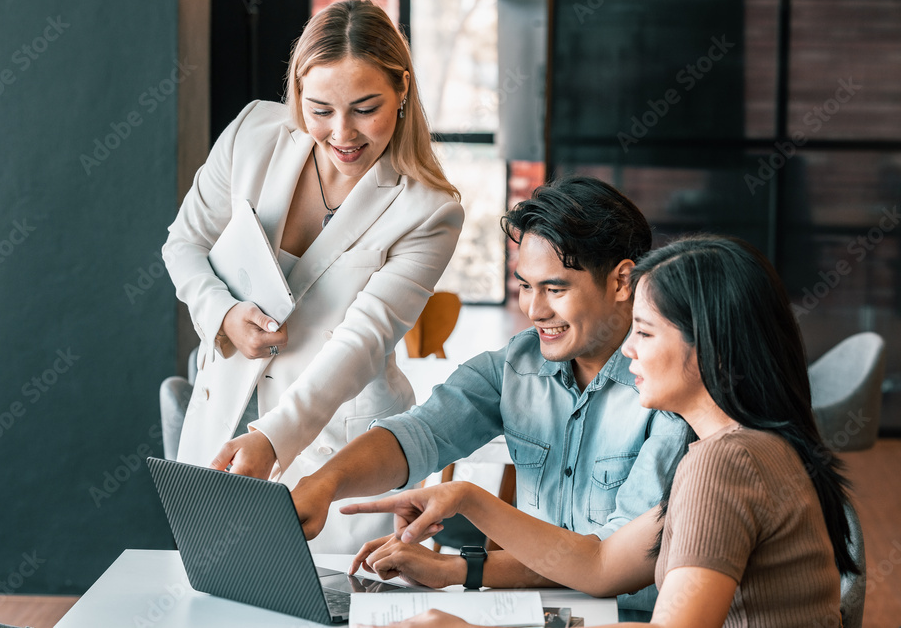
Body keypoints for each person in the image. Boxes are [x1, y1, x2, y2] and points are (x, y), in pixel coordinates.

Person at [344, 234, 857, 628]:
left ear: (710, 348)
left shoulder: (726, 462)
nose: (627, 348)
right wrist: (467, 499)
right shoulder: (748, 448)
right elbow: (600, 562)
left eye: (645, 332)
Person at [292, 176, 692, 613]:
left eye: (555, 289)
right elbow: (420, 433)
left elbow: (609, 561)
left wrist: (460, 566)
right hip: (540, 614)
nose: (534, 310)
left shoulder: (671, 390)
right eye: (526, 286)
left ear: (621, 281)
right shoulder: (517, 365)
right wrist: (324, 484)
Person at [162, 0, 463, 553]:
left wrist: (274, 440)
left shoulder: (430, 211)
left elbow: (363, 340)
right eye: (320, 109)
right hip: (222, 421)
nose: (342, 133)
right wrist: (223, 314)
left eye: (365, 109)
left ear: (402, 88)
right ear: (298, 91)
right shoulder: (253, 133)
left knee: (331, 595)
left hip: (336, 446)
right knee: (212, 591)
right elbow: (185, 243)